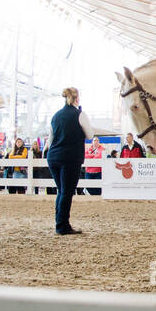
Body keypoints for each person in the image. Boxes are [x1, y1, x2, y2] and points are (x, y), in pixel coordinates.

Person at [46, 87, 99, 235]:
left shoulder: (55, 116)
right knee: (67, 192)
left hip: (53, 156)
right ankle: (62, 225)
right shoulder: (79, 114)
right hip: (69, 157)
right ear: (77, 99)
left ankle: (59, 221)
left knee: (61, 191)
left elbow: (50, 140)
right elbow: (90, 135)